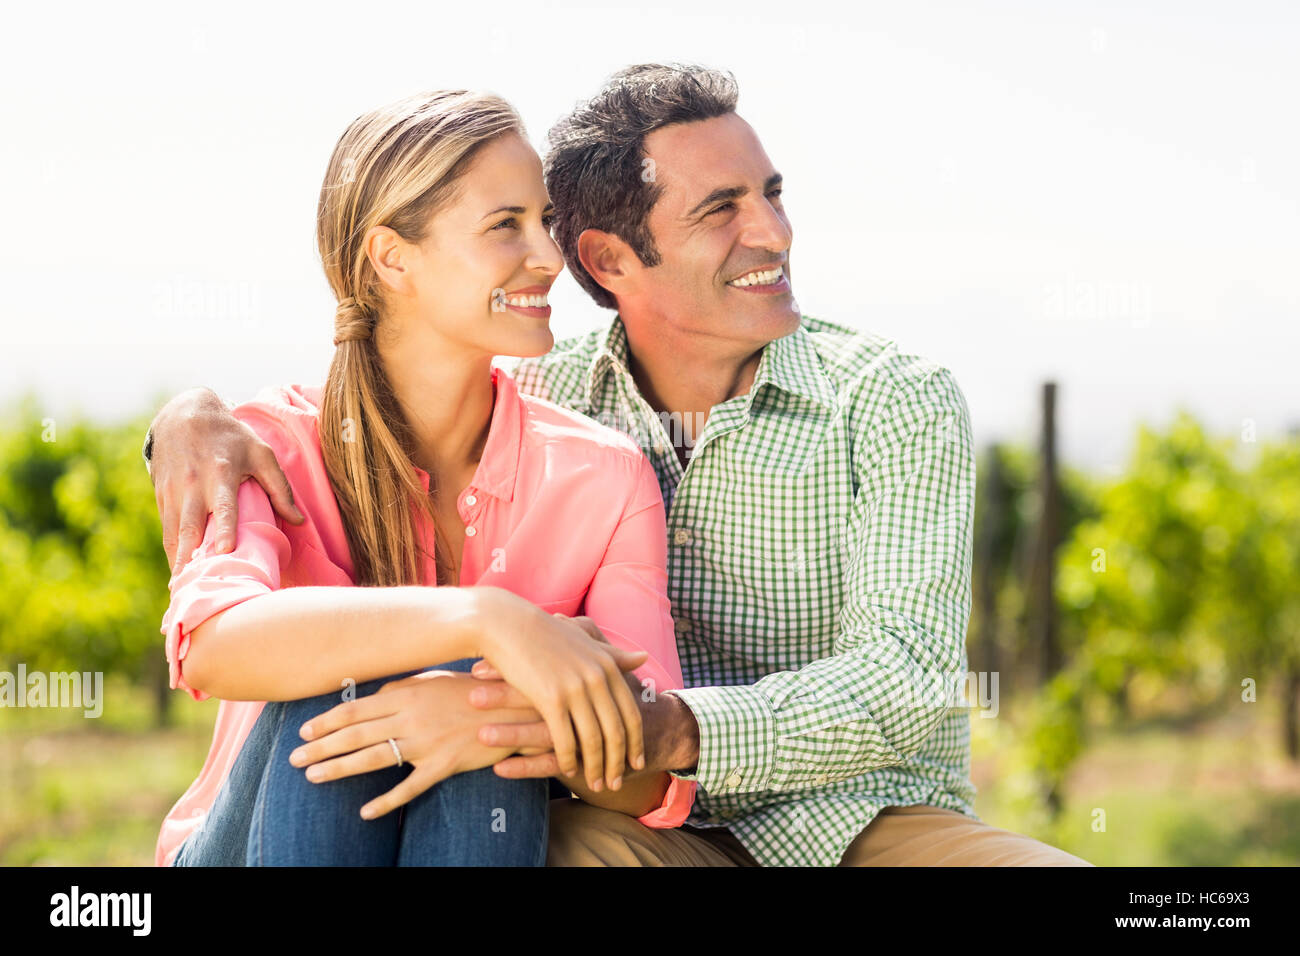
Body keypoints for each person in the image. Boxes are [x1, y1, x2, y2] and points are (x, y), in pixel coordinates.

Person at [146, 64, 1090, 867]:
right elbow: (231, 614)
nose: (774, 232)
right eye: (722, 208)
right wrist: (184, 420)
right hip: (608, 811)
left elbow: (905, 681)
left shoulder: (886, 399)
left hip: (847, 823)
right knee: (385, 688)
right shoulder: (535, 386)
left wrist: (632, 723)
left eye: (773, 194)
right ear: (612, 257)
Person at [152, 88, 693, 867]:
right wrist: (491, 623)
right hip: (244, 846)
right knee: (345, 671)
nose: (549, 256)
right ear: (392, 257)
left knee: (483, 733)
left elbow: (649, 775)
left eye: (544, 221)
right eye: (506, 225)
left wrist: (488, 710)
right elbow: (214, 644)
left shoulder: (602, 476)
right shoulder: (270, 446)